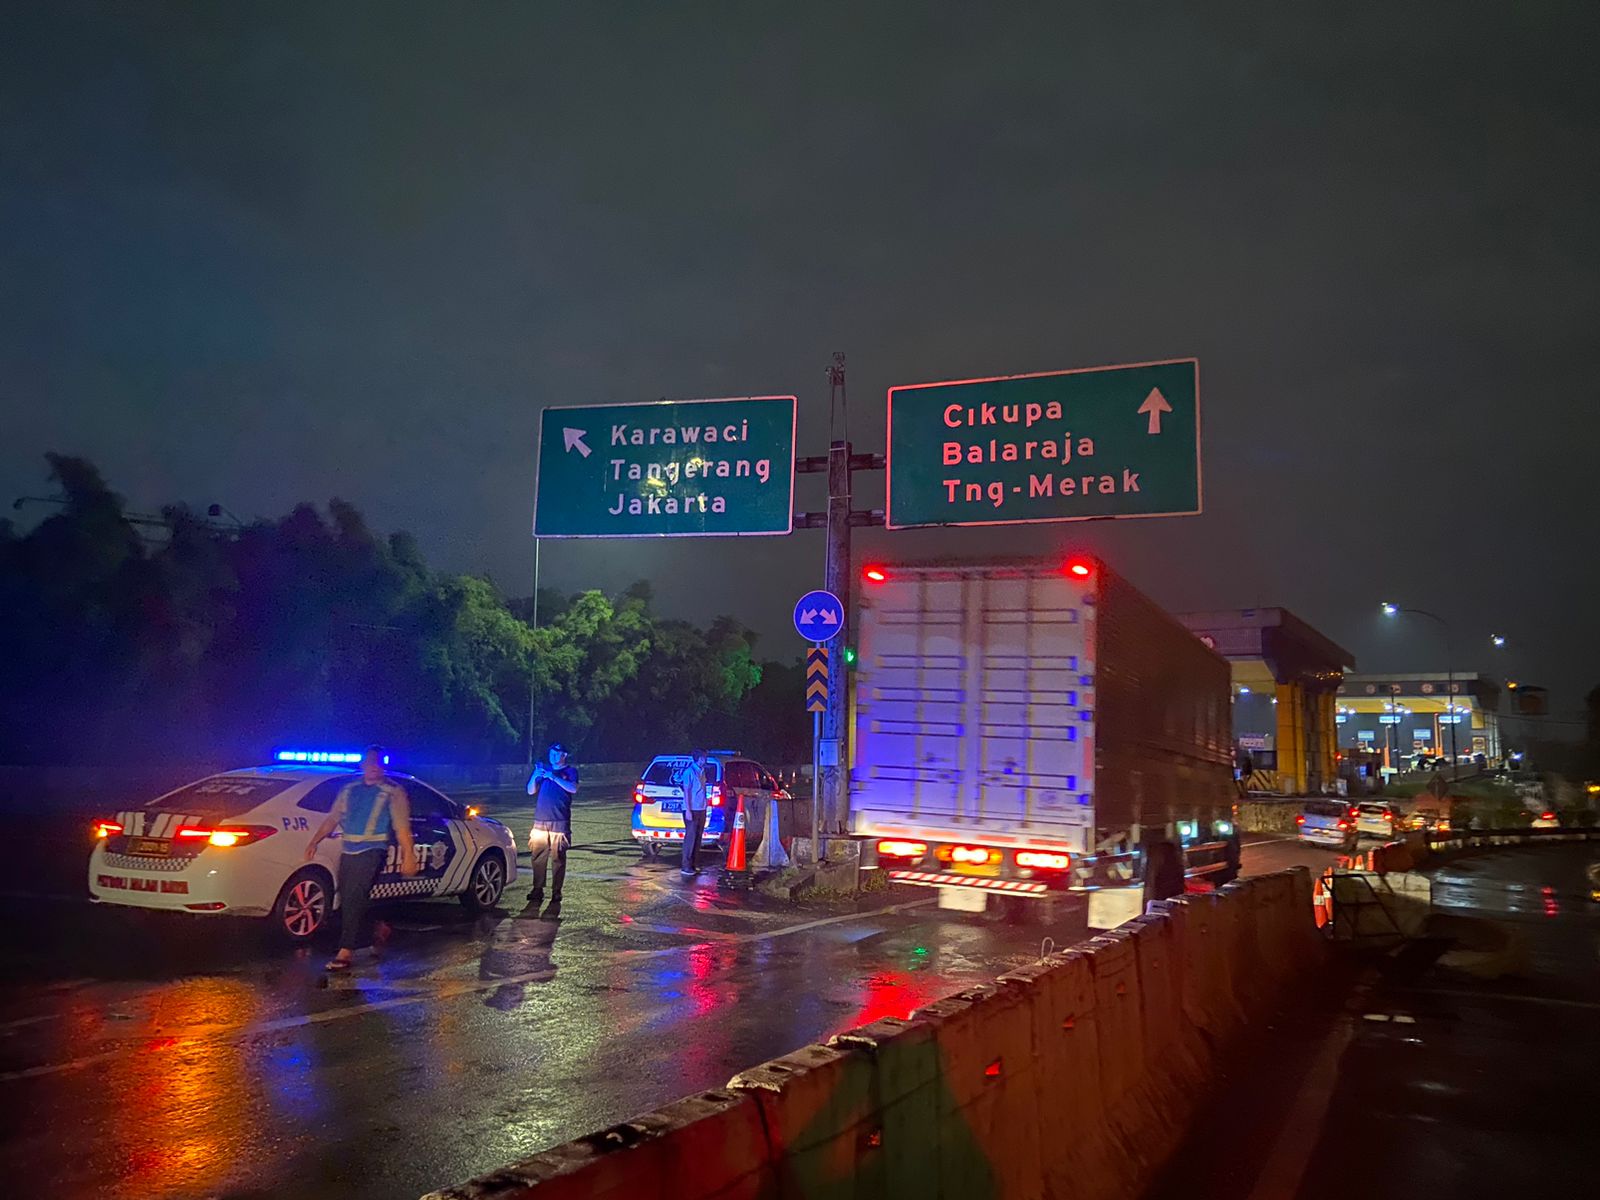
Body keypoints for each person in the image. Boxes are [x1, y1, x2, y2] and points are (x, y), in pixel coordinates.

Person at [306, 745, 416, 972]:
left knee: (354, 896)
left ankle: (346, 951)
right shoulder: (350, 790)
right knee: (349, 899)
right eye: (370, 762)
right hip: (349, 850)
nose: (374, 767)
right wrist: (314, 841)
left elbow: (401, 826)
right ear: (363, 765)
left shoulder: (392, 792)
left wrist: (409, 855)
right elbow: (333, 818)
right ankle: (377, 928)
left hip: (373, 850)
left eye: (378, 763)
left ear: (383, 766)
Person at [526, 742, 579, 911]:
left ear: (564, 755)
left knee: (558, 858)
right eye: (552, 753)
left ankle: (556, 891)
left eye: (558, 754)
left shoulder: (570, 771)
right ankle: (537, 888)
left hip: (559, 821)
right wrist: (535, 775)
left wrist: (553, 776)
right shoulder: (544, 772)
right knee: (538, 857)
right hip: (540, 820)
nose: (554, 756)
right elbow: (530, 791)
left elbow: (573, 788)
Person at [674, 749, 710, 877]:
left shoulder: (702, 772)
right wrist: (688, 810)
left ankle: (694, 864)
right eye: (703, 758)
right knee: (691, 837)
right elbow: (687, 792)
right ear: (698, 758)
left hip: (701, 808)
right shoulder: (689, 772)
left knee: (698, 837)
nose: (705, 760)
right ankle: (686, 865)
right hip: (692, 809)